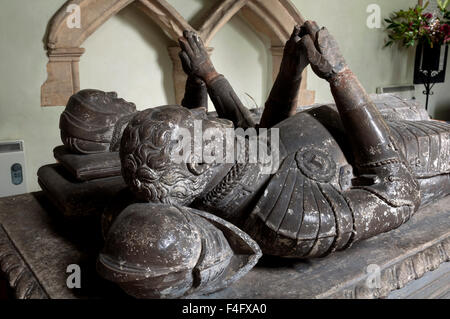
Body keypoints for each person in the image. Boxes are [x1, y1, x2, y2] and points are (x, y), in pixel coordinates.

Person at [118, 21, 450, 259]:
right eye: (195, 121)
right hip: (417, 157)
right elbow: (399, 194)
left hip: (375, 127)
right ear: (200, 162)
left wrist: (289, 71)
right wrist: (340, 75)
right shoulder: (286, 220)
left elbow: (266, 136)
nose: (201, 114)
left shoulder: (231, 176)